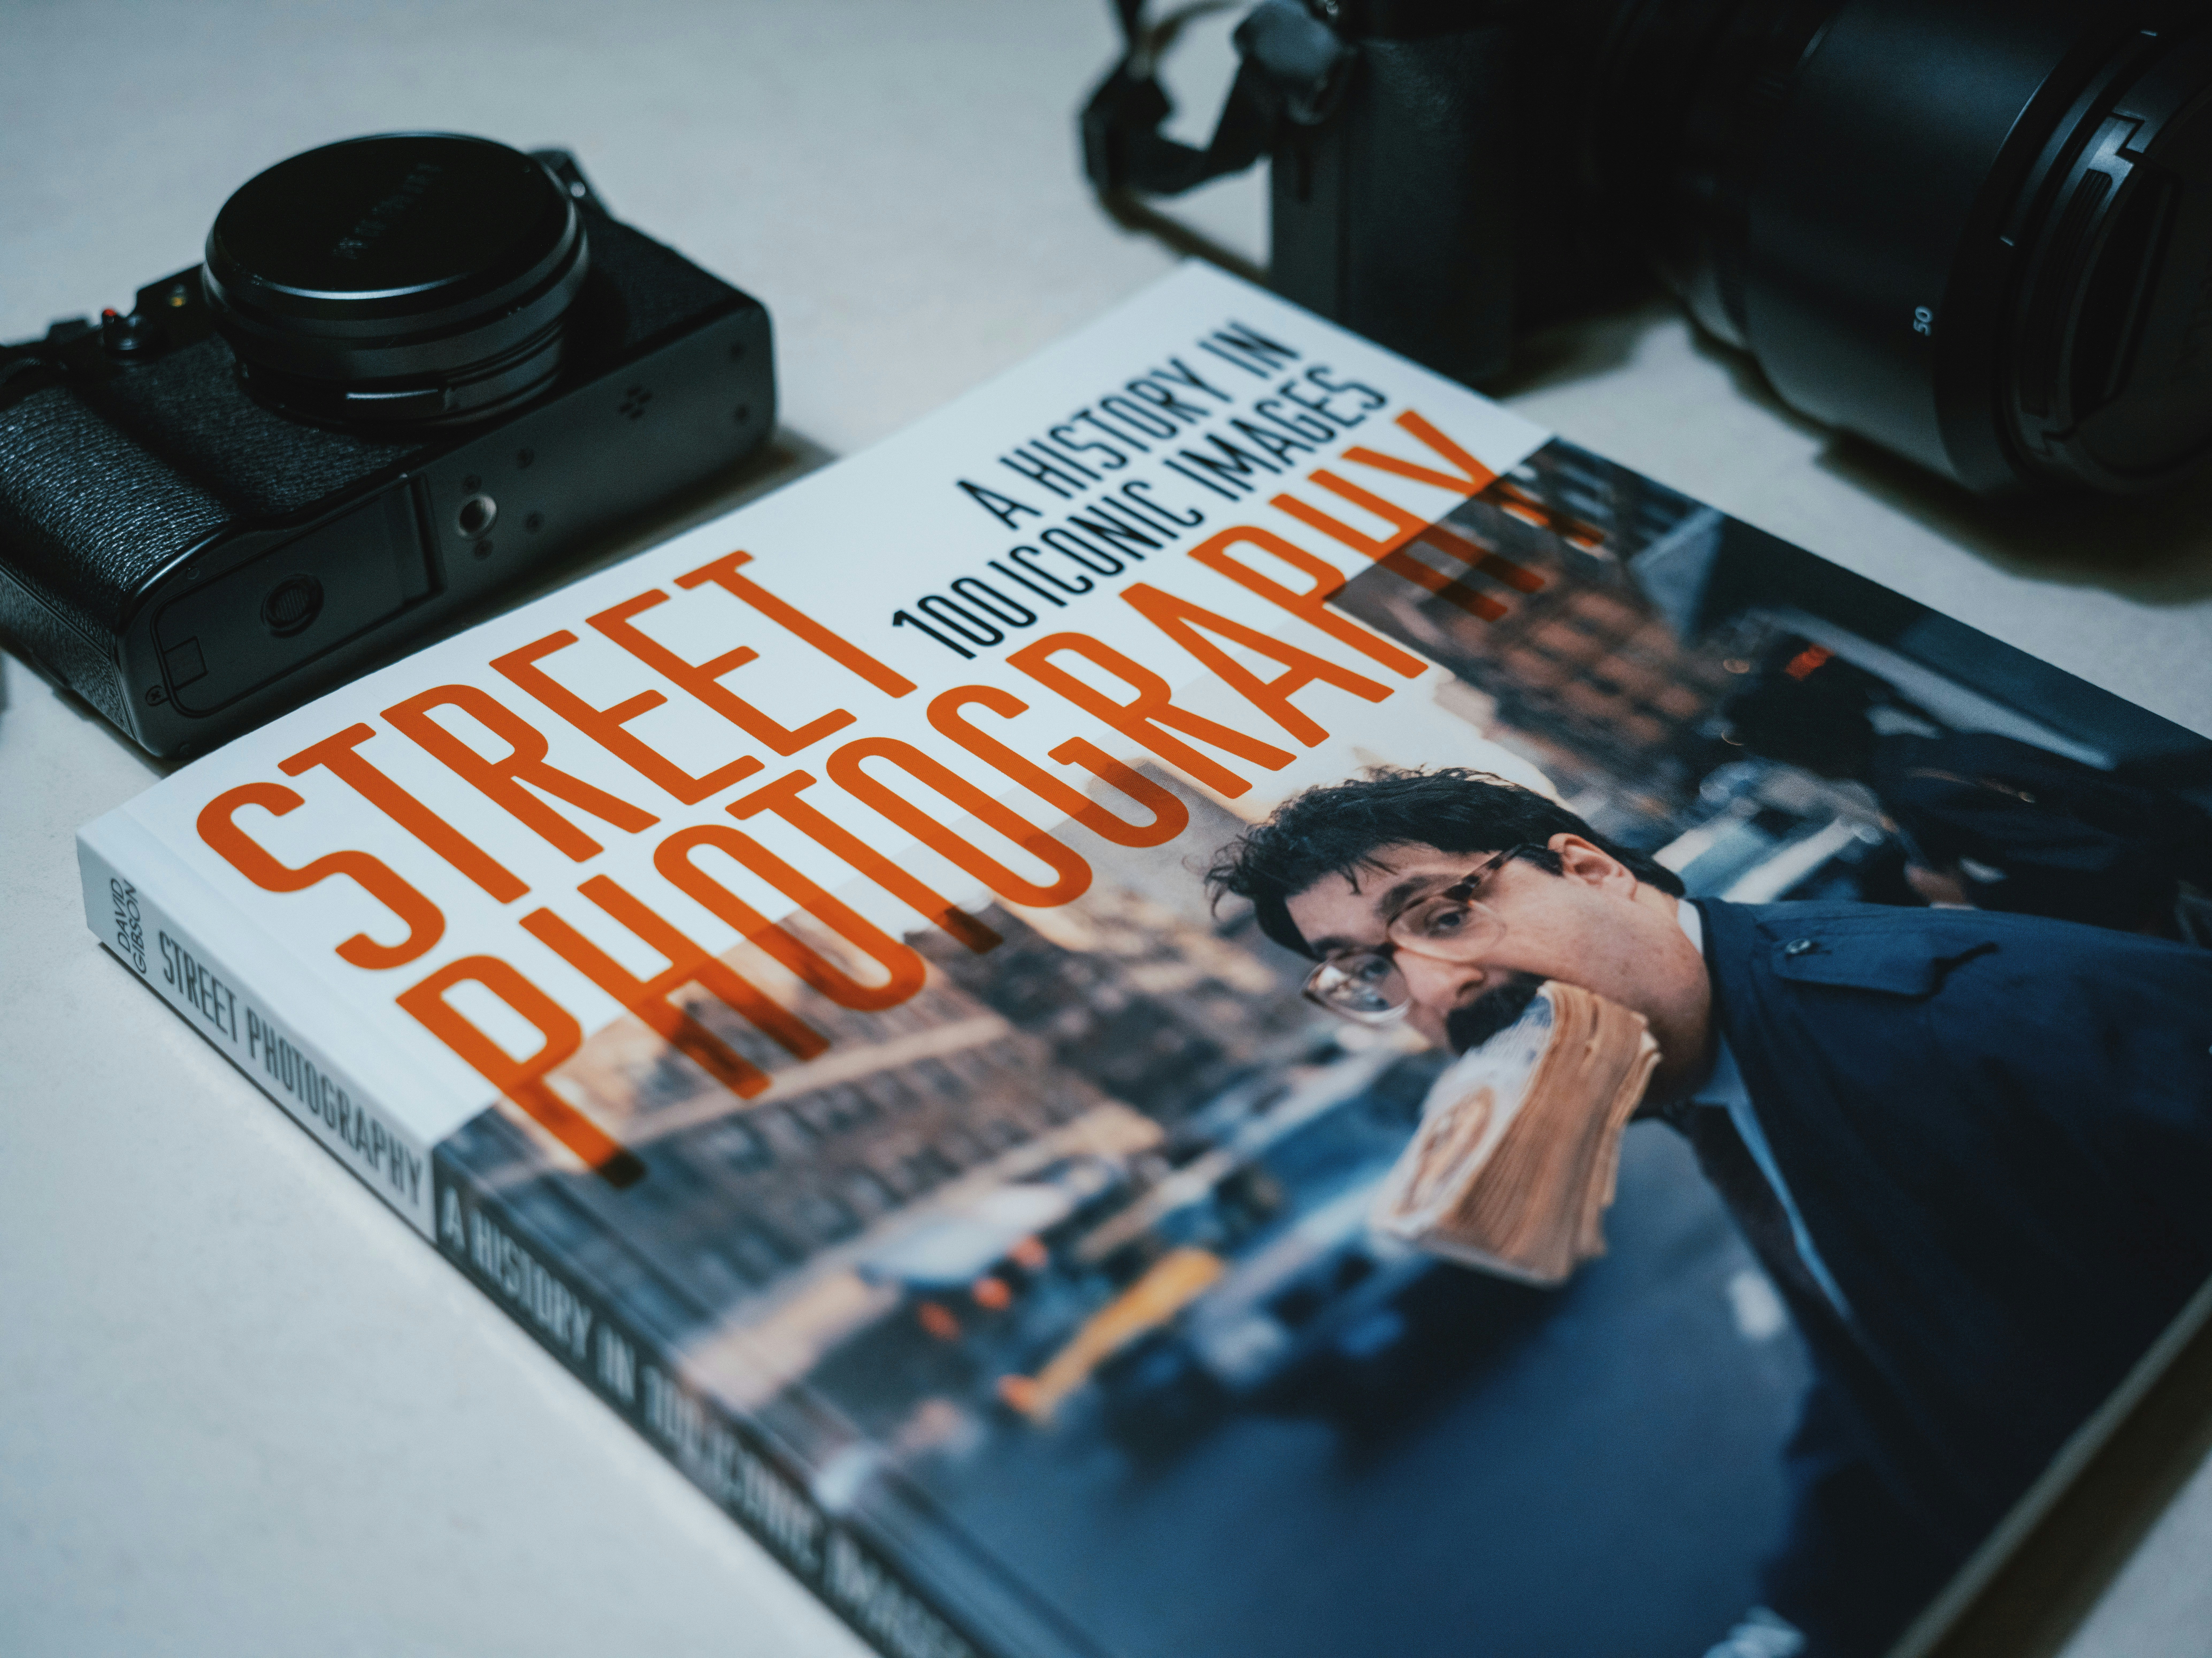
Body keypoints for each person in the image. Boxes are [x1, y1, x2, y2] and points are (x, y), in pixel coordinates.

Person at [1207, 767, 2212, 1658]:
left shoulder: (1981, 1019)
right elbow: (1883, 1348)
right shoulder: (1706, 1063)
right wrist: (1801, 1622)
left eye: (1442, 914)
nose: (1434, 987)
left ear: (1592, 871)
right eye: (1372, 971)